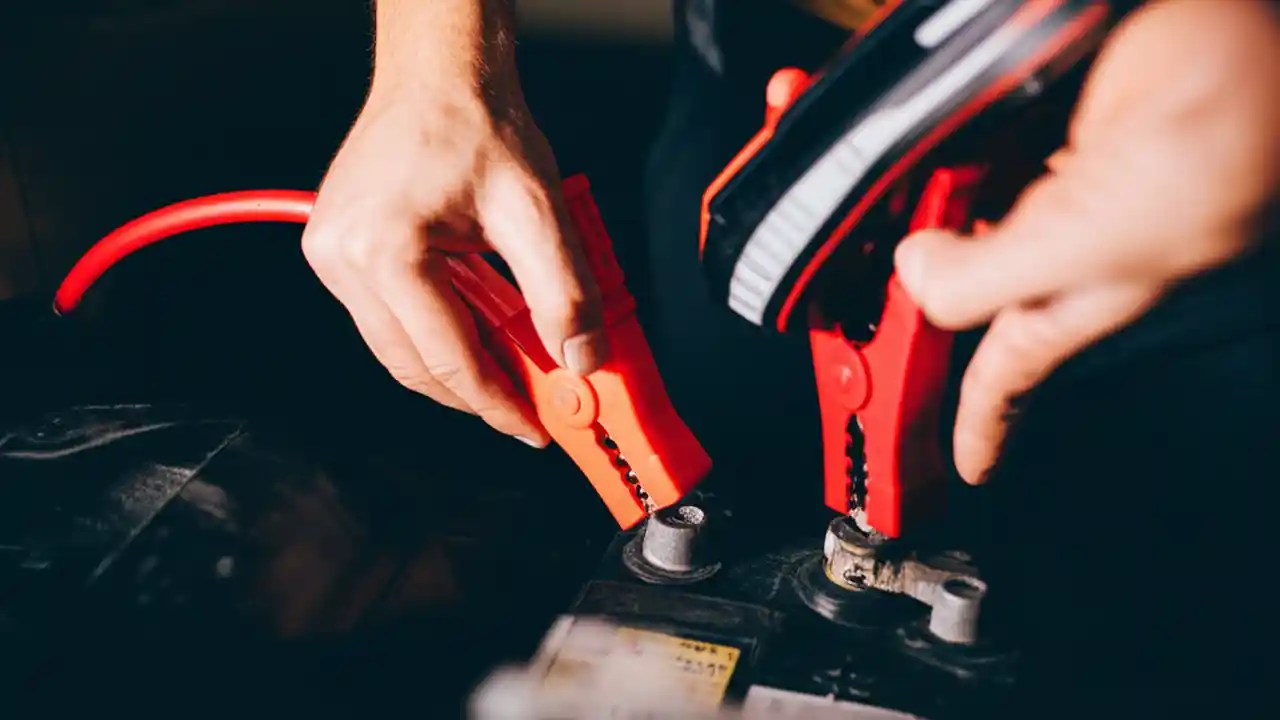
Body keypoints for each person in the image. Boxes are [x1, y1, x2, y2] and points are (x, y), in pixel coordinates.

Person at [300, 0, 1279, 703]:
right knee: (730, 498)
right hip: (792, 145)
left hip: (1194, 158)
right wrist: (434, 63)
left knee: (1169, 622)